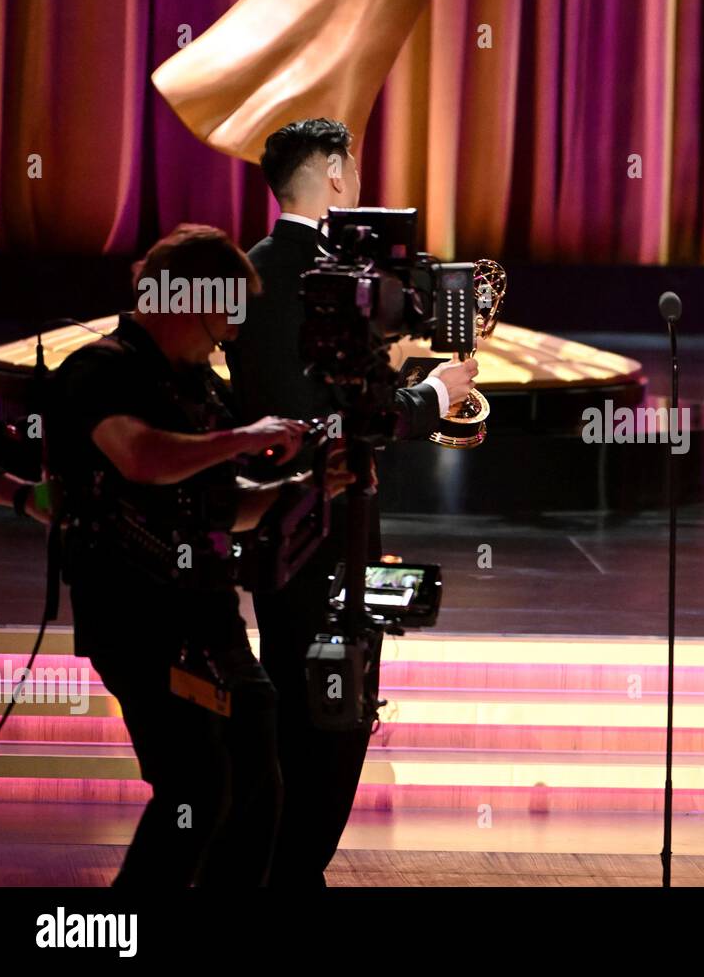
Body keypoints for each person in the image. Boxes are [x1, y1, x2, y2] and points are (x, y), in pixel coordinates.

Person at [46, 224, 352, 885]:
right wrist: (243, 436)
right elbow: (142, 457)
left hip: (210, 615)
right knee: (196, 787)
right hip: (136, 615)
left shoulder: (203, 388)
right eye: (224, 313)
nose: (232, 334)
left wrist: (305, 485)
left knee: (257, 786)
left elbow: (228, 504)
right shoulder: (101, 370)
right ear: (182, 298)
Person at [224, 117, 477, 886]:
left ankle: (284, 864)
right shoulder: (325, 277)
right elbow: (333, 417)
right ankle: (292, 869)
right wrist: (430, 396)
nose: (359, 180)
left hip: (278, 525)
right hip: (322, 525)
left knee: (308, 694)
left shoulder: (253, 269)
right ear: (335, 172)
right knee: (334, 707)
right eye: (354, 166)